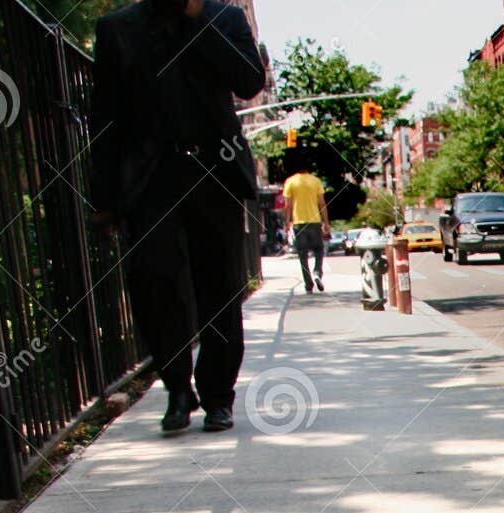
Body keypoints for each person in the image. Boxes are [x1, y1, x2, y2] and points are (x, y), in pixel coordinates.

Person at [88, 0, 265, 435]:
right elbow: (105, 119)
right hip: (150, 182)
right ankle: (177, 389)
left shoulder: (224, 19)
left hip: (215, 172)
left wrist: (197, 20)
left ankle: (218, 396)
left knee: (219, 289)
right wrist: (104, 198)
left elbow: (248, 81)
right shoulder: (117, 29)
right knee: (156, 284)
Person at [283, 157, 330, 293]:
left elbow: (287, 206)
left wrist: (287, 222)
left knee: (302, 255)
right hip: (314, 222)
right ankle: (317, 273)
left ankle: (308, 284)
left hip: (299, 223)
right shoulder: (316, 181)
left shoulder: (290, 182)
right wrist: (326, 222)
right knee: (319, 250)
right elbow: (322, 204)